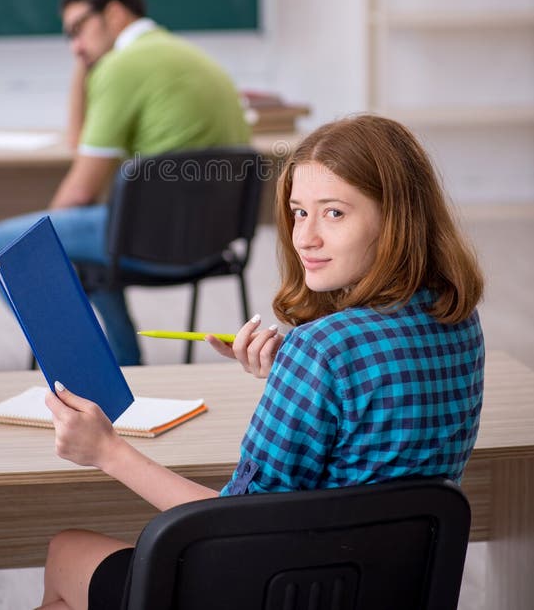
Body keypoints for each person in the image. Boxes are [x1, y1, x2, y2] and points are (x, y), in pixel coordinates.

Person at [36, 113, 485, 610]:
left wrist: (108, 452)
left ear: (396, 218)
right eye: (298, 212)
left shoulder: (322, 349)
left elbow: (234, 523)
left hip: (283, 590)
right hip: (388, 589)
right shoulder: (458, 320)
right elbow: (377, 426)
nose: (305, 238)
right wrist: (289, 374)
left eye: (334, 213)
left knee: (65, 552)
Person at [0, 0, 249, 366]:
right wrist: (86, 60)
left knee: (2, 245)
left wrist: (44, 242)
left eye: (78, 29)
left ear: (116, 14)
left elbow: (80, 191)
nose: (75, 46)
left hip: (155, 242)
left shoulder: (124, 66)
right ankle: (122, 356)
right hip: (213, 243)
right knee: (99, 233)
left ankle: (83, 366)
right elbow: (80, 139)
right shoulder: (192, 56)